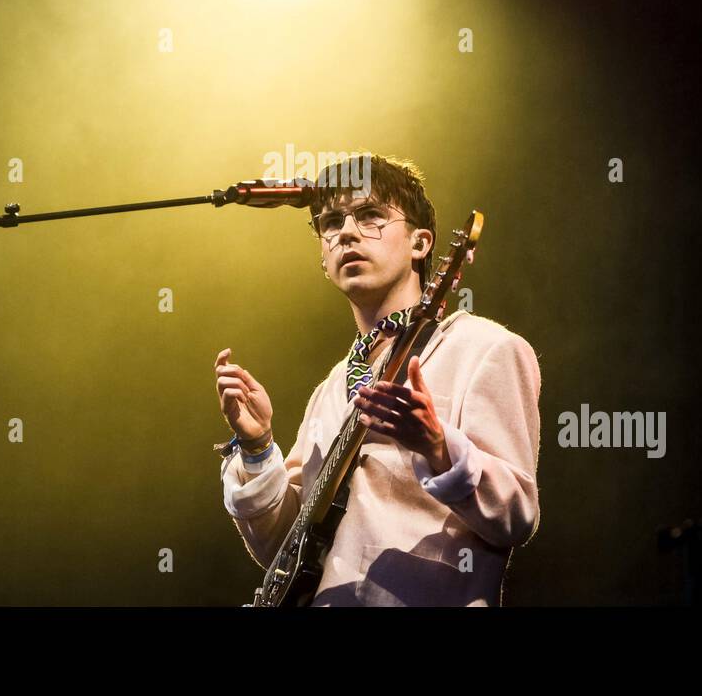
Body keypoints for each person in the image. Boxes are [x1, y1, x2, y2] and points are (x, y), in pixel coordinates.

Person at [214, 153, 542, 606]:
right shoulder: (331, 388)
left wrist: (438, 446)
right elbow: (283, 551)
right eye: (330, 223)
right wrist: (257, 449)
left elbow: (516, 515)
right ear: (322, 257)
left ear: (421, 243)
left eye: (370, 215)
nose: (346, 232)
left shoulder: (485, 348)